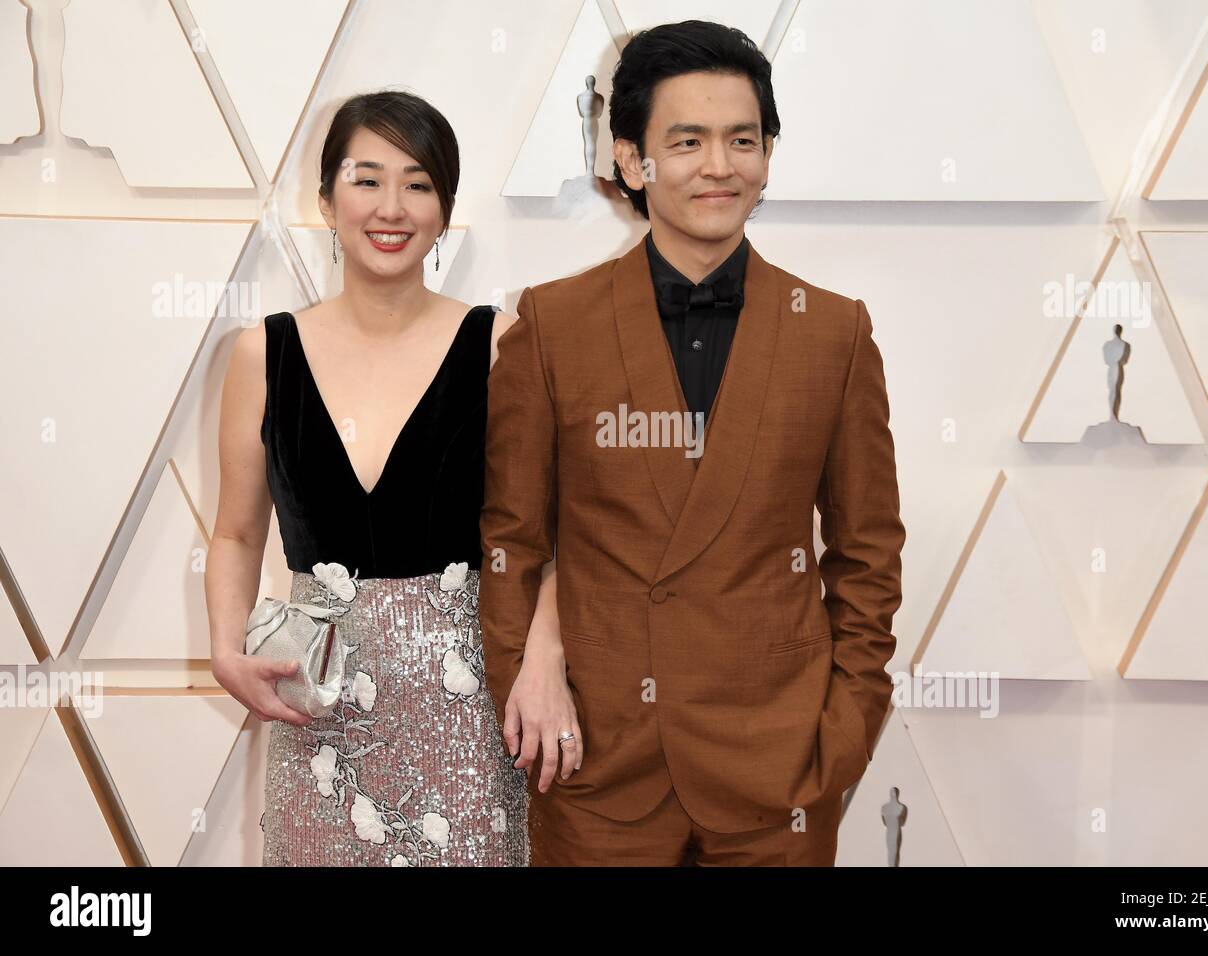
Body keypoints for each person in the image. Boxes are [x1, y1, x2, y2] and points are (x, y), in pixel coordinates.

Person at [480, 19, 906, 866]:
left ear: (768, 155)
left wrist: (842, 736)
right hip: (595, 769)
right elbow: (511, 538)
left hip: (779, 774)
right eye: (688, 141)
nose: (719, 165)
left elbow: (868, 556)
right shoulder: (553, 324)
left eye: (741, 139)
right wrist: (528, 686)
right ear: (633, 160)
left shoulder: (833, 332)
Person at [206, 90, 564, 866]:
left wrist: (544, 666)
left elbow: (555, 539)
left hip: (467, 717)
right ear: (327, 200)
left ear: (444, 209)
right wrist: (225, 649)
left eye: (419, 182)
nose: (390, 206)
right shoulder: (260, 355)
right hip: (317, 710)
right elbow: (236, 532)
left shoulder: (503, 346)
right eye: (366, 179)